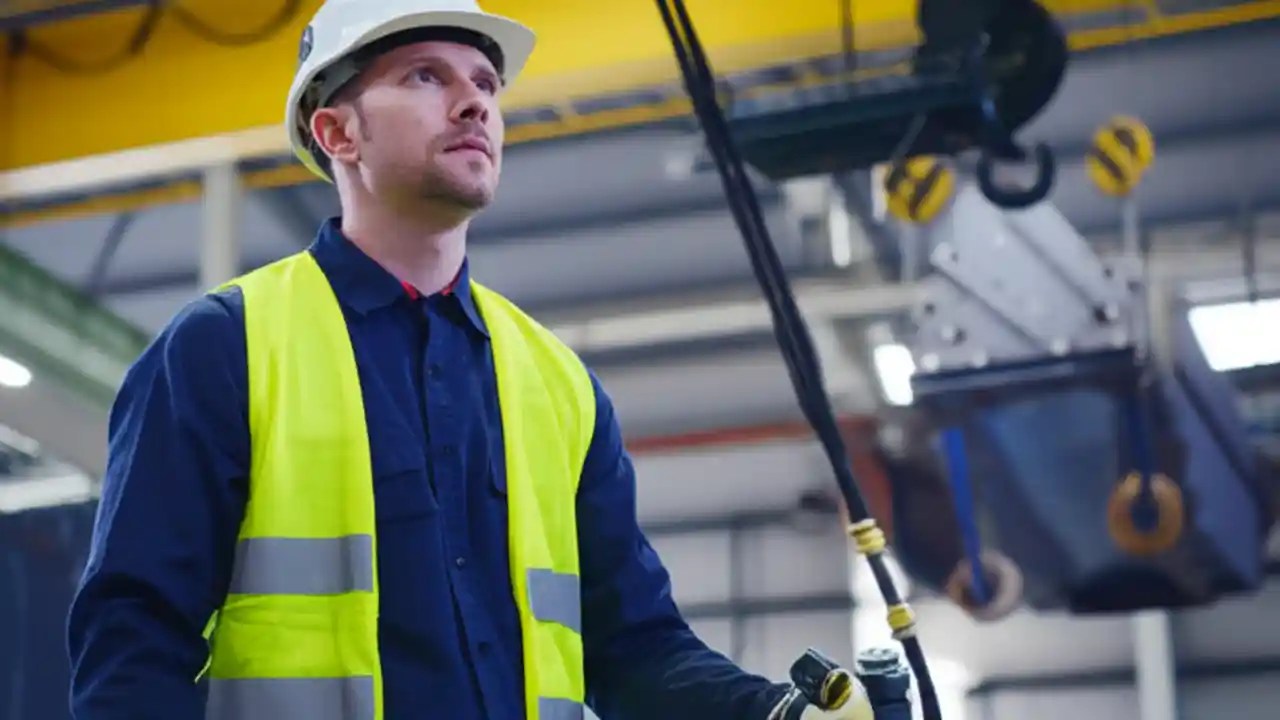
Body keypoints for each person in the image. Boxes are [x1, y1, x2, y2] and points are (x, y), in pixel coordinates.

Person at [65, 2, 877, 719]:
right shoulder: (224, 348)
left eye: (486, 84)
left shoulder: (560, 386)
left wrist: (775, 714)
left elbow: (635, 650)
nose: (473, 104)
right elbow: (133, 640)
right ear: (337, 131)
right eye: (425, 76)